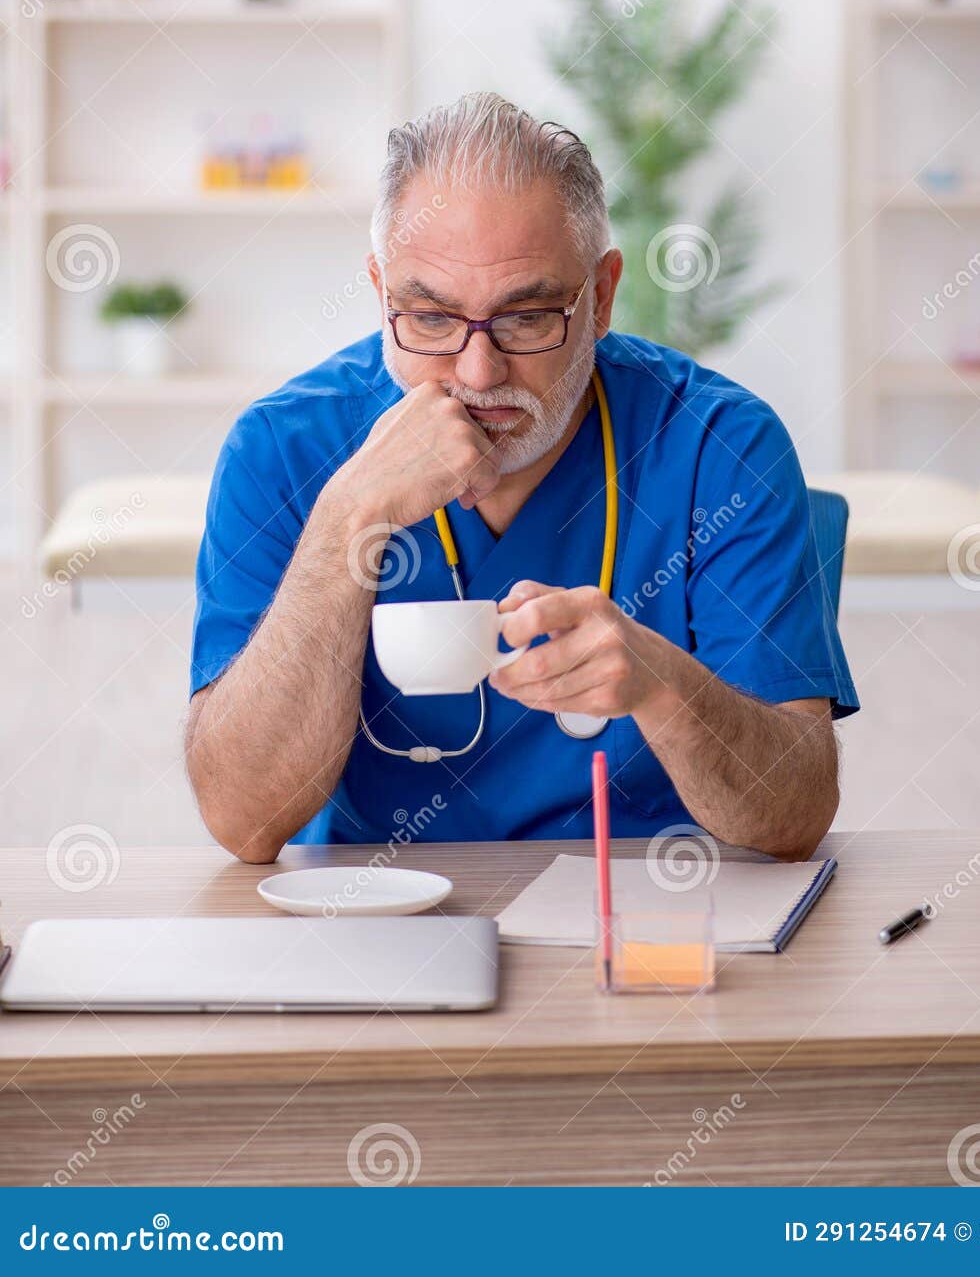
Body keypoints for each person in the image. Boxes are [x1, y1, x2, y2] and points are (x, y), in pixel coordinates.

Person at [186, 92, 857, 863]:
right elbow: (243, 821)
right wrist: (348, 518)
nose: (478, 372)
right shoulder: (282, 449)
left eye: (526, 318)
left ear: (601, 297)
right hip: (377, 913)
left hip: (644, 907)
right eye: (431, 319)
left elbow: (795, 814)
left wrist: (661, 686)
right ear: (380, 295)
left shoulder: (719, 446)